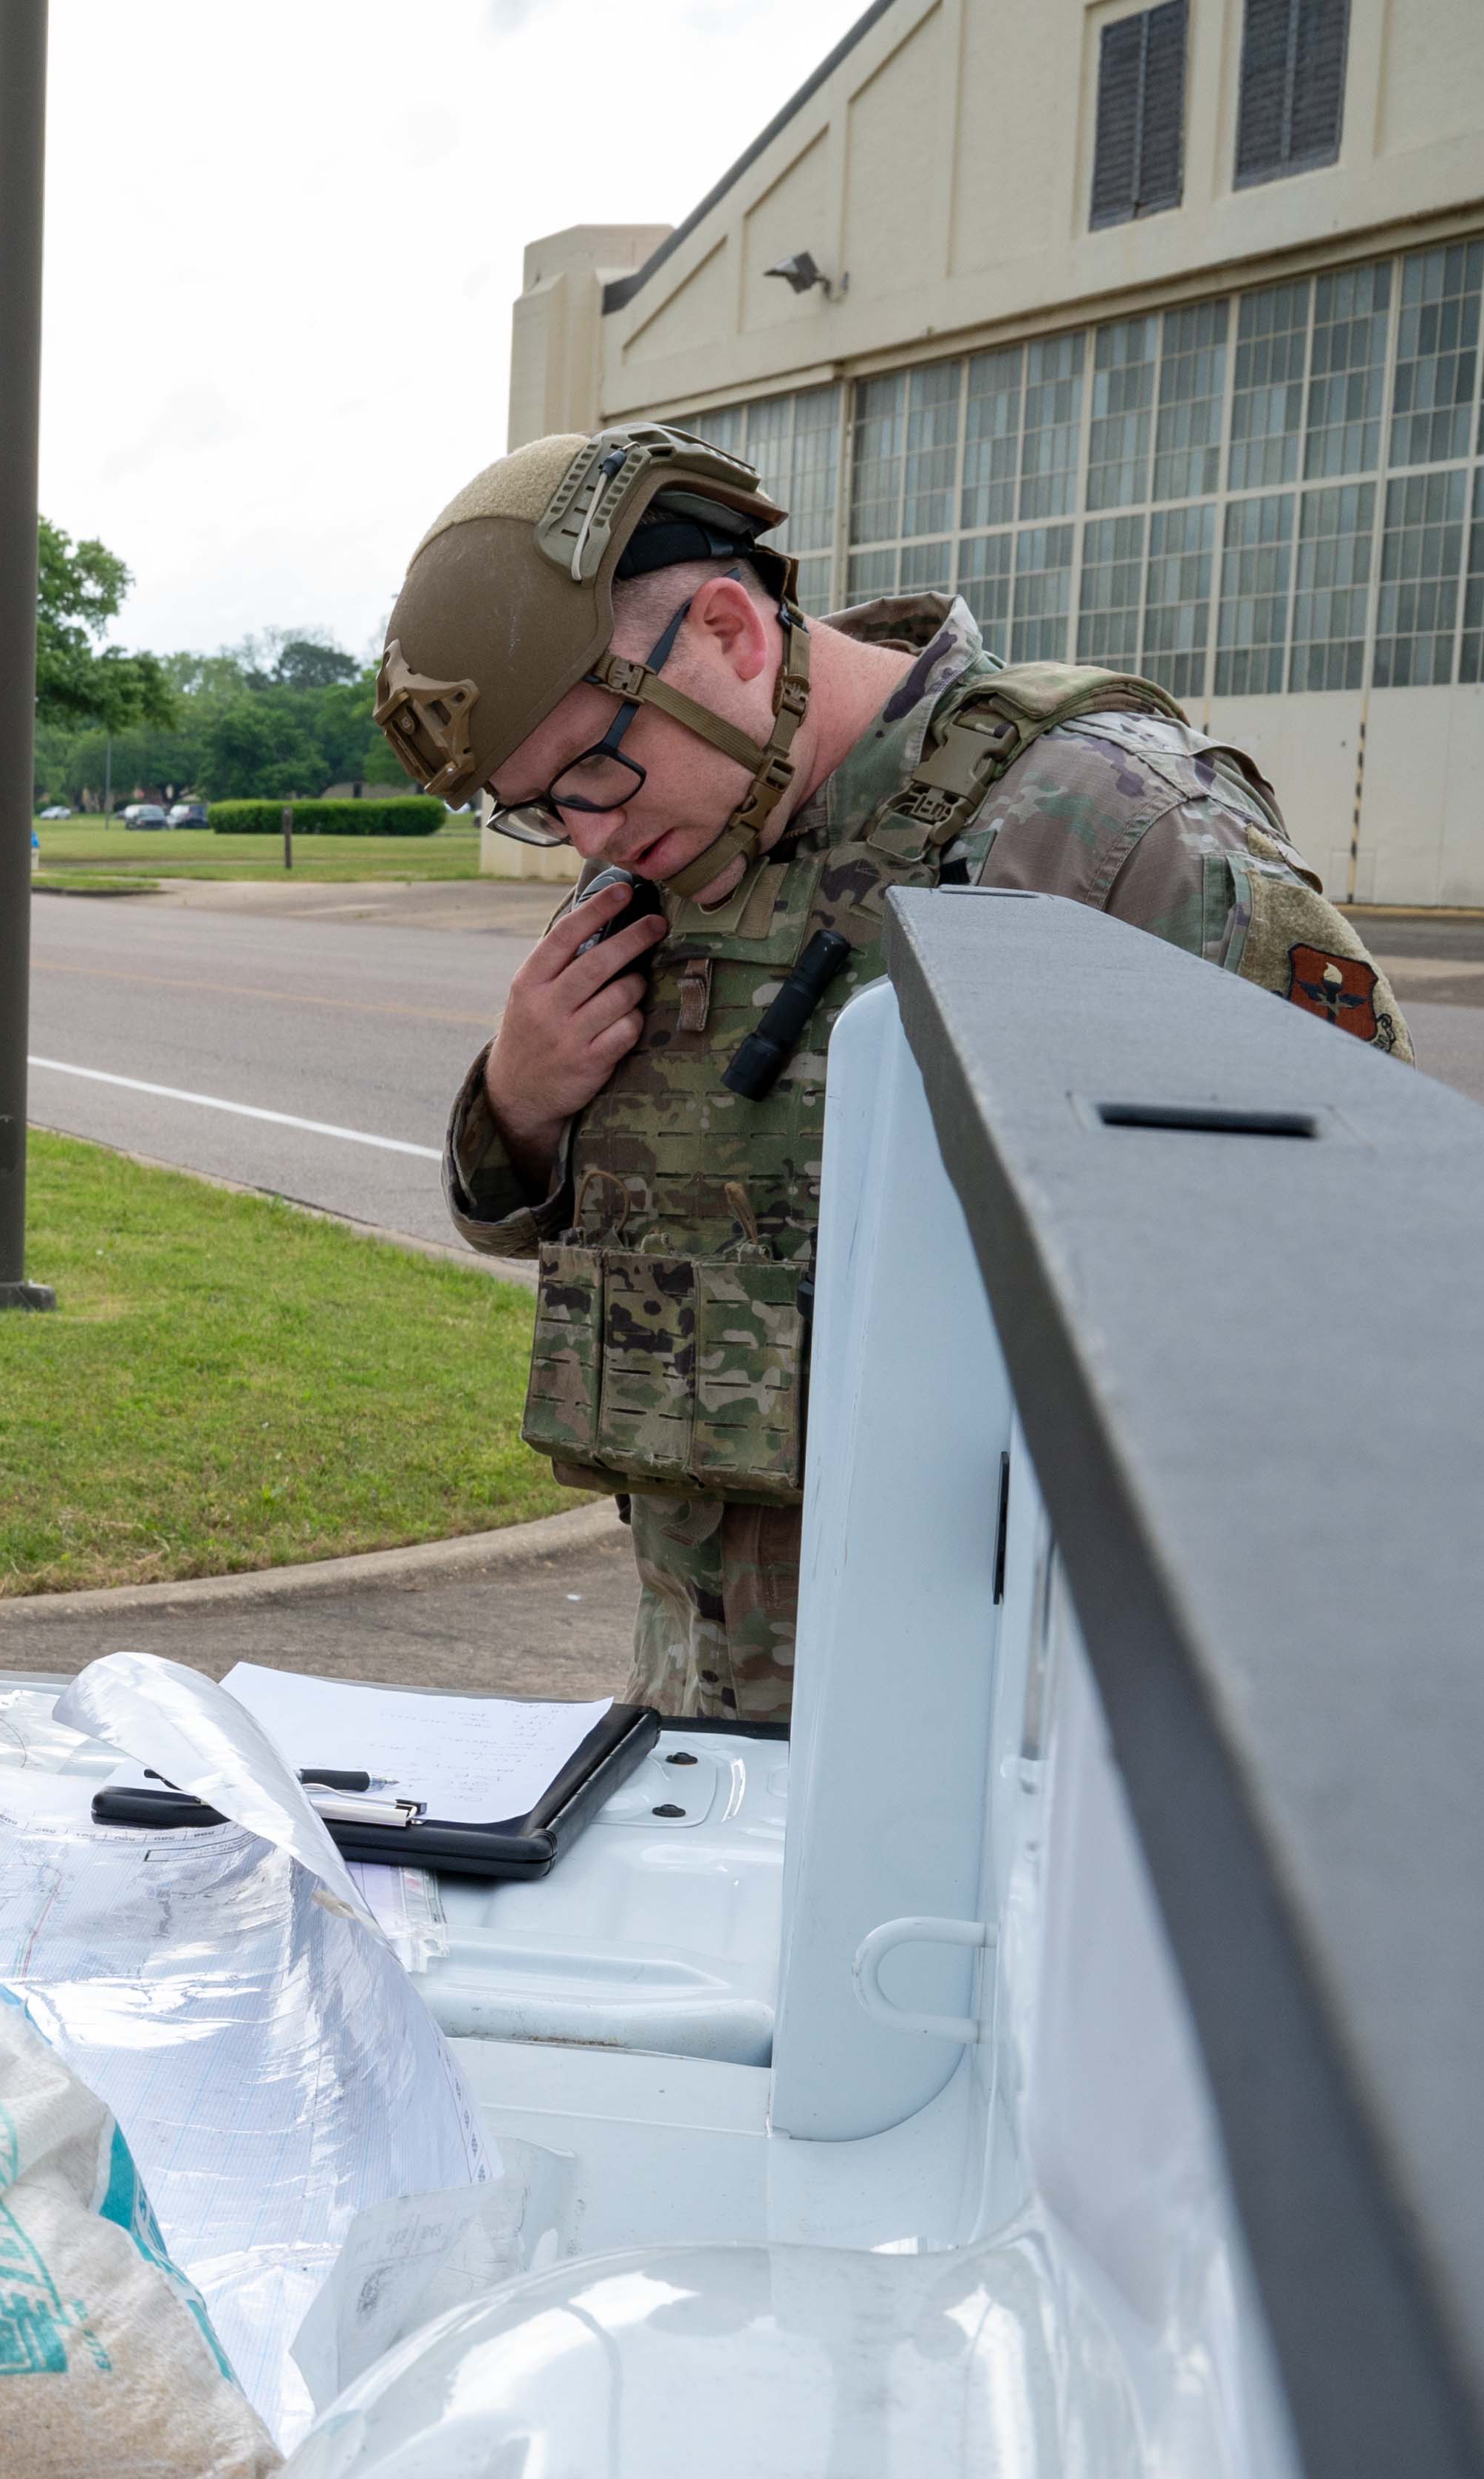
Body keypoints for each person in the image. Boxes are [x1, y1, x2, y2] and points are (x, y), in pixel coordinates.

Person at [372, 422, 1409, 1724]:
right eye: (539, 807)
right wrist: (520, 1100)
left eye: (591, 769)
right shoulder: (668, 838)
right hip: (699, 1726)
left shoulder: (1108, 833)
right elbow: (610, 1226)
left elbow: (1373, 1266)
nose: (586, 832)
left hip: (1010, 1754)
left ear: (734, 637)